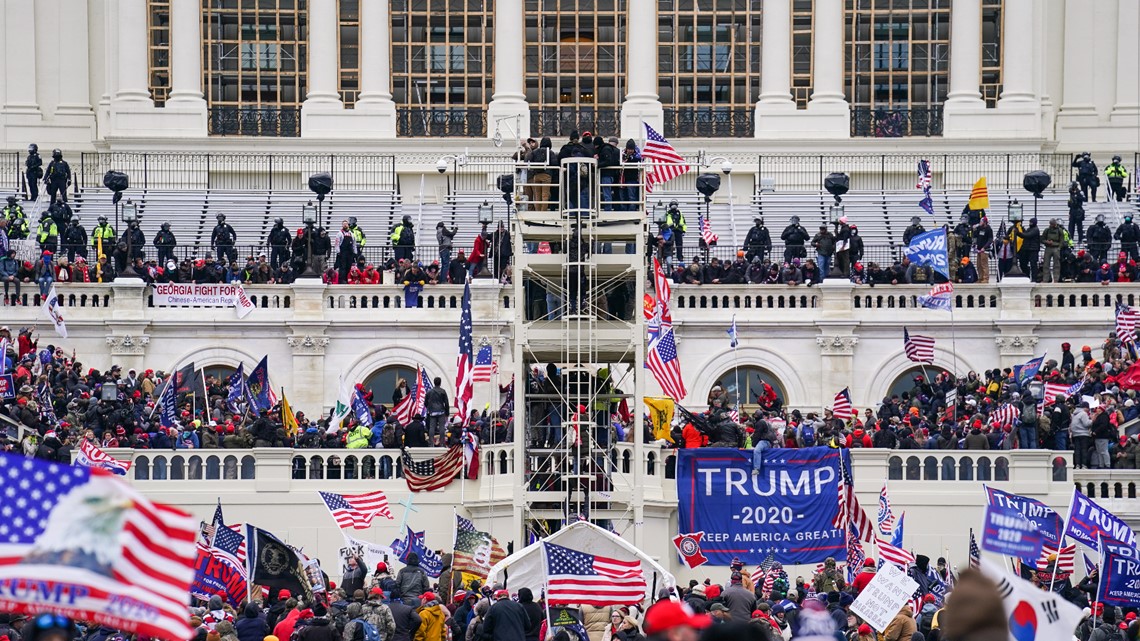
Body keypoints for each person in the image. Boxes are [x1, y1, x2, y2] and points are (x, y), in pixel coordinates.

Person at [424, 377, 449, 446]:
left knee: (432, 427)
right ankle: (442, 443)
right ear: (440, 383)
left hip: (432, 411)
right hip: (441, 410)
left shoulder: (429, 392)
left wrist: (429, 408)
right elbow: (446, 403)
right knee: (441, 427)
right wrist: (447, 412)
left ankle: (431, 443)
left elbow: (425, 402)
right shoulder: (443, 391)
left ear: (434, 382)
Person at [1041, 218, 1065, 283]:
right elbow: (1042, 239)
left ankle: (1056, 279)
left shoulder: (1059, 230)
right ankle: (1046, 279)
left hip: (1056, 248)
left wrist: (1059, 248)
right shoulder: (1047, 230)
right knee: (1046, 264)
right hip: (1048, 248)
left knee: (1056, 264)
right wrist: (1047, 242)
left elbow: (1062, 240)